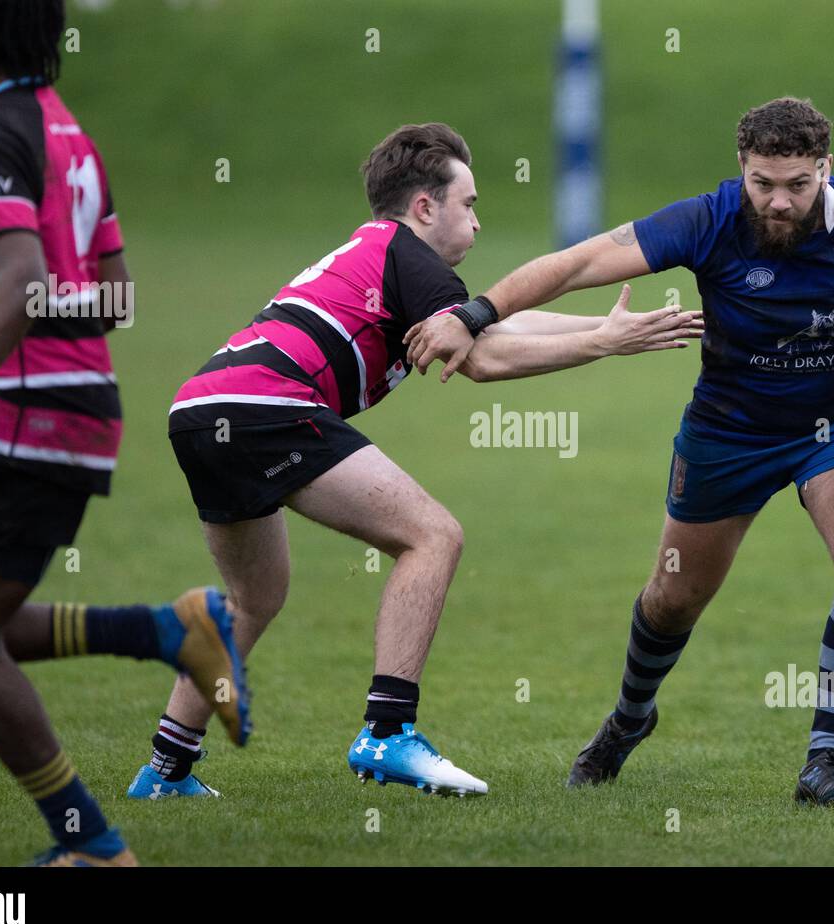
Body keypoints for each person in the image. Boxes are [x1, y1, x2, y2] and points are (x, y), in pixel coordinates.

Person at [404, 97, 834, 805]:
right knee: (672, 599)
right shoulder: (708, 220)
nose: (778, 202)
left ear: (826, 170)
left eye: (797, 184)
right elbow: (579, 262)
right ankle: (630, 718)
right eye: (762, 183)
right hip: (730, 430)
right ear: (742, 170)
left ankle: (825, 759)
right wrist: (474, 314)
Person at [131, 121, 703, 799]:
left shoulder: (387, 260)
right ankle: (387, 732)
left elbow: (493, 326)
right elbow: (482, 358)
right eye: (470, 204)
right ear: (424, 207)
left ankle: (164, 771)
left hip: (201, 411)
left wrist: (611, 331)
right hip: (265, 409)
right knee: (432, 535)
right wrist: (603, 346)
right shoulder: (404, 251)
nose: (478, 224)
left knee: (255, 597)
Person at [0, 0, 248, 866]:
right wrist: (37, 307)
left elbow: (18, 279)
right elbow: (117, 298)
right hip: (59, 409)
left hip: (28, 421)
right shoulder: (68, 136)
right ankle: (165, 631)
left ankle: (88, 842)